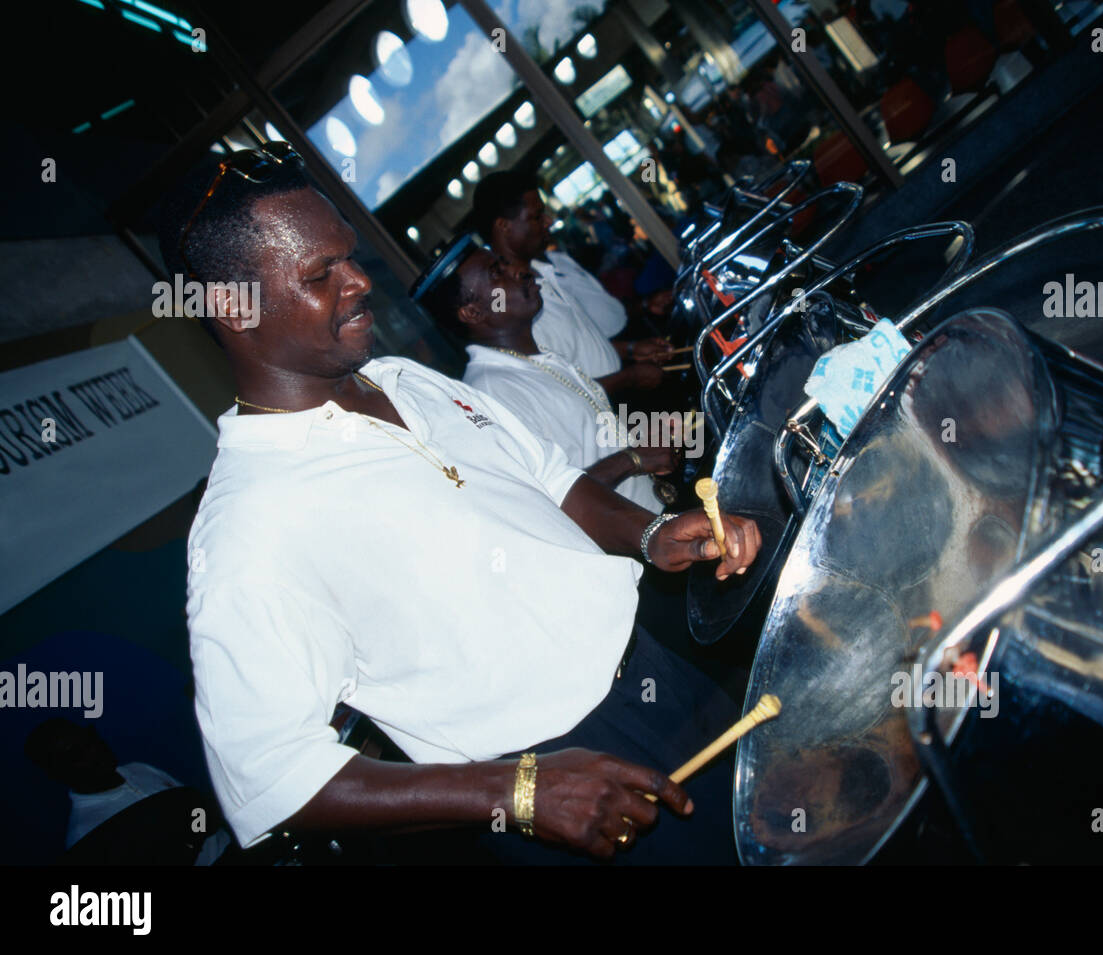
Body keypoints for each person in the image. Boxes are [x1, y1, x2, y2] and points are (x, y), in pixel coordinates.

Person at [159, 144, 761, 863]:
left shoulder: (406, 379)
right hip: (568, 777)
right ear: (232, 306)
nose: (358, 282)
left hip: (658, 664)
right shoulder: (248, 520)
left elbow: (549, 479)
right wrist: (517, 790)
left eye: (349, 257)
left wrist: (653, 531)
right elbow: (270, 778)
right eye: (320, 274)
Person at [423, 239, 680, 515]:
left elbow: (581, 444)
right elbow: (550, 502)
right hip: (638, 540)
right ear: (473, 312)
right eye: (497, 274)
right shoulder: (493, 389)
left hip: (658, 509)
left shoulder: (537, 358)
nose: (519, 272)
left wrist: (638, 441)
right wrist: (633, 459)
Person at [469, 170, 675, 395]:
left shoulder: (542, 271)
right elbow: (559, 392)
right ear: (504, 226)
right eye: (537, 216)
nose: (548, 221)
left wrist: (632, 350)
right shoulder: (509, 306)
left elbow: (580, 349)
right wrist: (630, 378)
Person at [25, 718, 231, 864]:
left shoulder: (138, 768)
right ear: (59, 772)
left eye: (90, 737)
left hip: (233, 849)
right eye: (77, 753)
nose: (94, 749)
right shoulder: (85, 834)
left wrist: (199, 828)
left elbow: (197, 809)